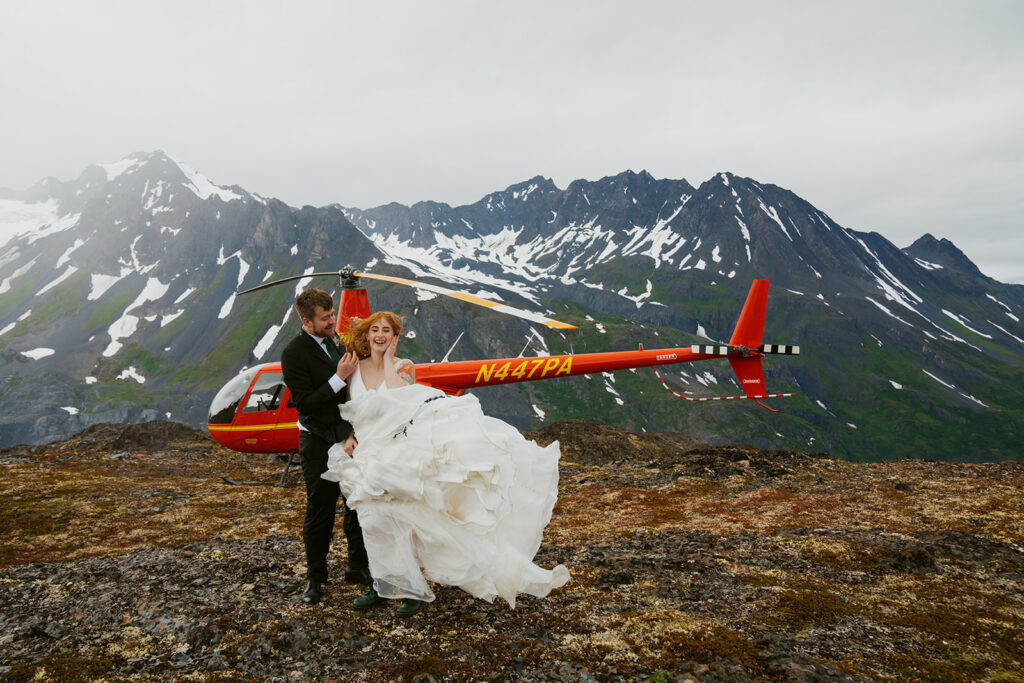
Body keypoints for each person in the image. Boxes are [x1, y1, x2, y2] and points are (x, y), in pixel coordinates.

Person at [322, 311, 569, 617]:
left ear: (395, 337)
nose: (380, 335)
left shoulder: (404, 367)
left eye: (387, 330)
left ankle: (412, 588)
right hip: (368, 452)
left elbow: (400, 397)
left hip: (399, 452)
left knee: (408, 518)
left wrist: (388, 360)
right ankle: (382, 584)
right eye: (375, 330)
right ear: (366, 335)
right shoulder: (354, 369)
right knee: (373, 521)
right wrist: (346, 434)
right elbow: (345, 408)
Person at [280, 288, 370, 605]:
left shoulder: (332, 341)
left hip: (345, 435)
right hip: (317, 441)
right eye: (325, 318)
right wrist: (338, 376)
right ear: (307, 321)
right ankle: (315, 579)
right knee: (320, 510)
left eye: (332, 314)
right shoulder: (293, 353)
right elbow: (305, 403)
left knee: (356, 502)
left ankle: (357, 567)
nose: (332, 321)